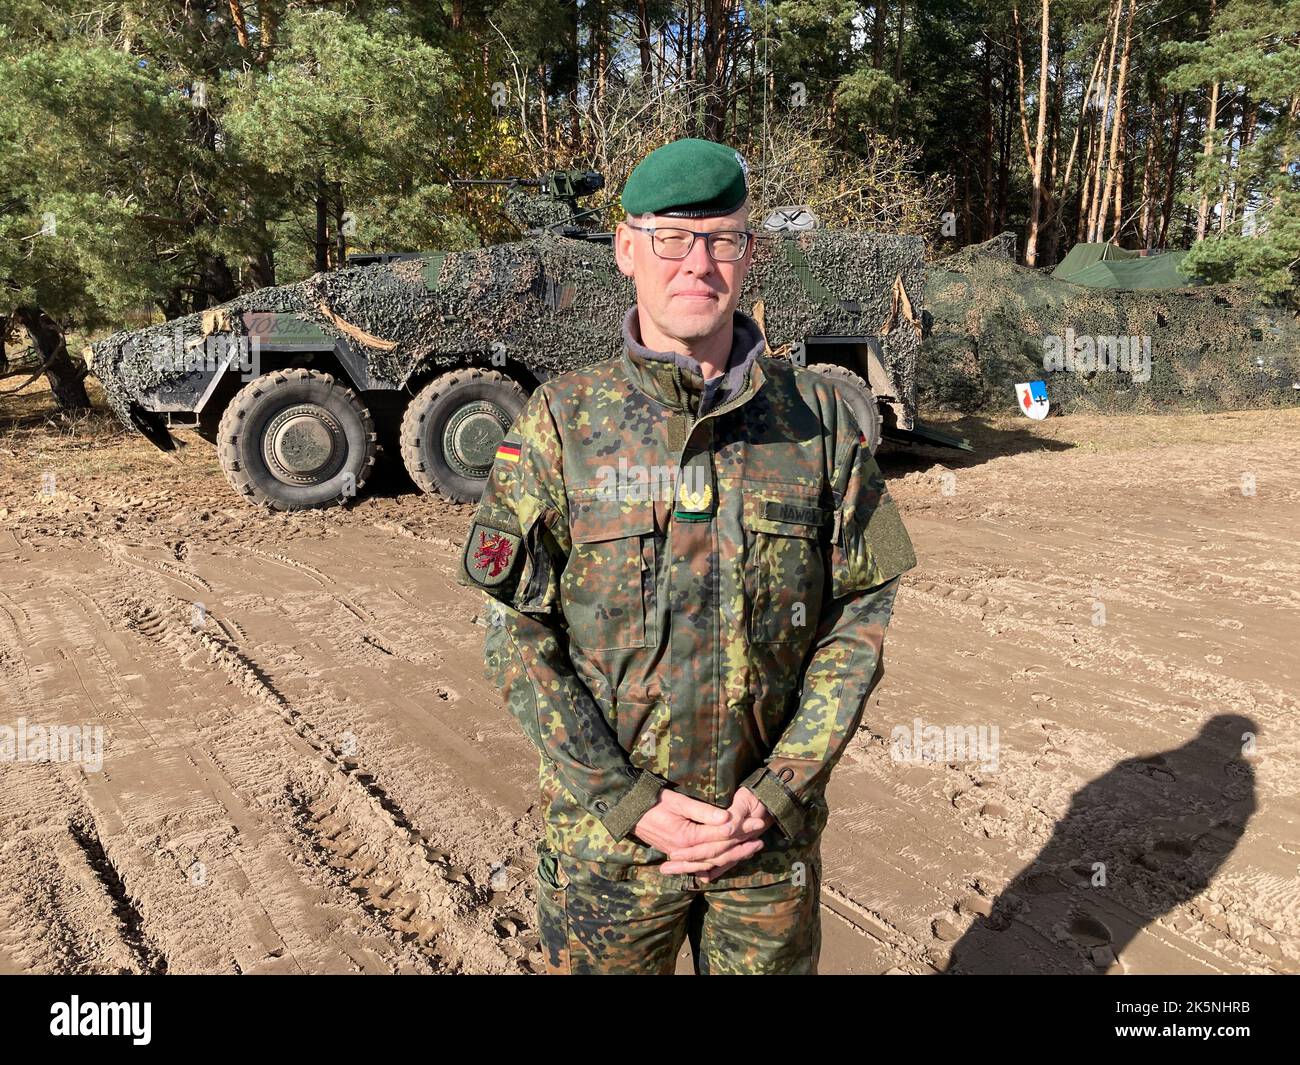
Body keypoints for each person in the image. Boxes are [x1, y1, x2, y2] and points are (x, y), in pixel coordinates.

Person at [457, 136, 916, 974]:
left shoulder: (821, 424)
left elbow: (860, 622)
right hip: (611, 856)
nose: (696, 262)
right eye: (671, 236)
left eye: (721, 239)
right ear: (628, 250)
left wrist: (776, 792)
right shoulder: (562, 424)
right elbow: (515, 634)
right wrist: (628, 801)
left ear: (751, 256)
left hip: (764, 851)